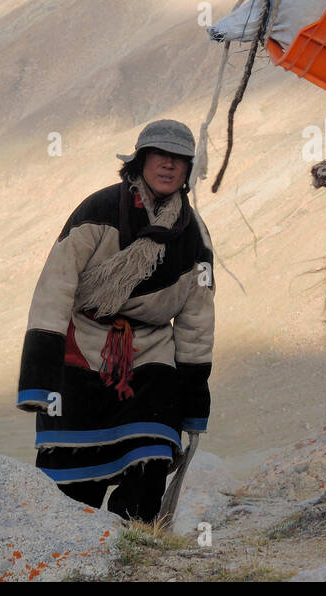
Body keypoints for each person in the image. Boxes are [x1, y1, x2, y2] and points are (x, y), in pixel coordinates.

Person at [16, 119, 214, 522]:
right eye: (159, 155)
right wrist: (38, 376)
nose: (168, 166)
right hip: (84, 345)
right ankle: (72, 548)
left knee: (153, 451)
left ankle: (133, 542)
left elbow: (197, 317)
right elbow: (55, 286)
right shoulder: (98, 210)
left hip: (151, 351)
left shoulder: (193, 234)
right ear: (139, 161)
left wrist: (194, 399)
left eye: (179, 159)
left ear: (189, 170)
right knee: (71, 482)